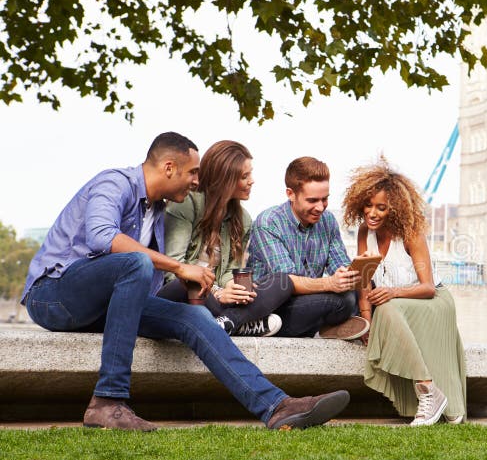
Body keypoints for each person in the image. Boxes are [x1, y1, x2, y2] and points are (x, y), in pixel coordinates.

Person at [22, 132, 350, 431]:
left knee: (194, 317)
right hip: (54, 296)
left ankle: (276, 406)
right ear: (168, 167)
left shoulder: (158, 210)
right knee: (135, 261)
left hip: (108, 304)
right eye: (193, 173)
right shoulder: (114, 184)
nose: (197, 181)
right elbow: (102, 237)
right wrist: (181, 270)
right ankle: (108, 401)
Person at [341, 161, 467, 426]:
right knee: (385, 310)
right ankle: (431, 393)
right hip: (397, 306)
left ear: (394, 209)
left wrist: (392, 292)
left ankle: (428, 391)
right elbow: (365, 280)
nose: (372, 213)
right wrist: (367, 321)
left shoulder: (411, 234)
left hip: (434, 302)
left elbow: (428, 287)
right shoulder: (366, 232)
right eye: (368, 205)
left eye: (381, 207)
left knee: (387, 306)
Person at [158, 140, 292, 336]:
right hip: (184, 292)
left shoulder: (243, 219)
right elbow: (172, 269)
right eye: (244, 176)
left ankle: (229, 322)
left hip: (217, 299)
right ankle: (243, 322)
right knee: (187, 286)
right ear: (225, 179)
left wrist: (236, 289)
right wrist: (219, 294)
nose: (252, 181)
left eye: (250, 174)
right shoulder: (186, 204)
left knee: (282, 281)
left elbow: (229, 271)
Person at [248, 156, 369, 340]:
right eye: (312, 200)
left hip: (311, 301)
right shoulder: (268, 222)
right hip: (274, 308)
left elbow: (340, 265)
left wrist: (356, 270)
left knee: (358, 292)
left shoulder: (328, 221)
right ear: (290, 194)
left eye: (325, 199)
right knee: (340, 301)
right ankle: (325, 327)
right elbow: (285, 283)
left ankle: (325, 327)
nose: (320, 207)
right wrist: (330, 283)